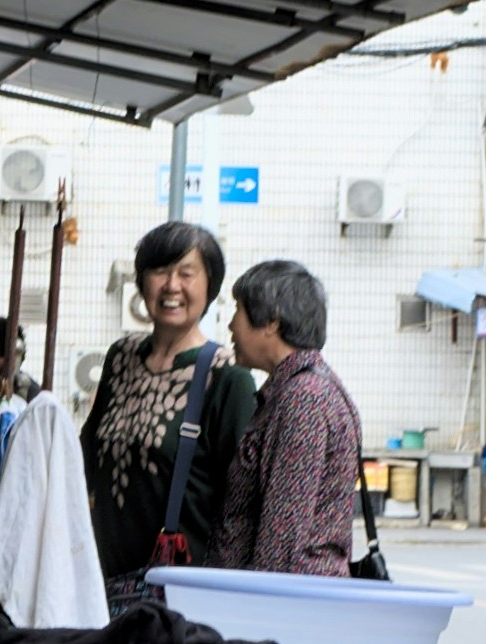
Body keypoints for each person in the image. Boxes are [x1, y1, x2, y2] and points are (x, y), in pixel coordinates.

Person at [81, 221, 260, 576]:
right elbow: (86, 457)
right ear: (142, 281)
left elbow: (242, 504)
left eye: (186, 273)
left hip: (181, 593)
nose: (171, 285)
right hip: (103, 580)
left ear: (211, 286)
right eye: (159, 271)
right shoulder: (121, 357)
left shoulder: (229, 378)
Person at [218, 259, 365, 578]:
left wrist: (254, 616)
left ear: (271, 322)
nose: (231, 326)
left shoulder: (304, 398)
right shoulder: (298, 388)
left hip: (287, 609)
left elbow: (281, 541)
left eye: (238, 311)